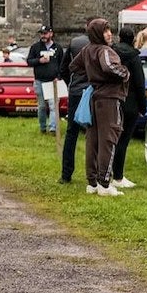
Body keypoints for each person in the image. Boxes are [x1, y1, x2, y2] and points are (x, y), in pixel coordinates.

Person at [71, 18, 130, 196]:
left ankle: (92, 182)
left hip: (95, 98)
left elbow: (73, 66)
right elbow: (109, 67)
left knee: (93, 140)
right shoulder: (104, 50)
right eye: (105, 31)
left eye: (109, 30)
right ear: (98, 33)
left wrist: (92, 75)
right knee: (109, 140)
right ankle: (104, 183)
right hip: (109, 99)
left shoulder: (87, 50)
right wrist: (125, 73)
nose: (109, 34)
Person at [110, 25, 147, 190]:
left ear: (119, 37)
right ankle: (118, 176)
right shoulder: (134, 57)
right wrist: (143, 107)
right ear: (132, 39)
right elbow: (139, 83)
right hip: (130, 102)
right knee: (123, 140)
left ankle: (107, 172)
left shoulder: (111, 53)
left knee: (111, 139)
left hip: (113, 99)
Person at [58, 32, 90, 183]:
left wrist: (70, 84)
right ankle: (96, 174)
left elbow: (63, 69)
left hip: (76, 91)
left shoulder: (75, 43)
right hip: (93, 91)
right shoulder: (102, 46)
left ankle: (66, 174)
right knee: (95, 133)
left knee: (71, 133)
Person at [26, 26, 62, 135]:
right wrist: (39, 60)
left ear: (51, 34)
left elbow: (62, 64)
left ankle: (53, 128)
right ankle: (42, 127)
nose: (43, 36)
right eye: (41, 34)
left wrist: (59, 77)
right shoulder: (35, 47)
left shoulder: (58, 48)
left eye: (45, 33)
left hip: (53, 81)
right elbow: (29, 61)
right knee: (41, 107)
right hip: (39, 81)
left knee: (53, 105)